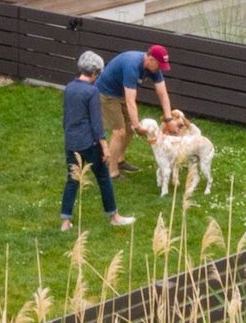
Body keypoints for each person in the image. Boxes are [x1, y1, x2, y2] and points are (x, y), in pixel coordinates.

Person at [59, 51, 134, 231]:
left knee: (72, 180)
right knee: (103, 178)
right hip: (89, 143)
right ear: (94, 73)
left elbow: (66, 117)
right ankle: (114, 216)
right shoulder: (92, 91)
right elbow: (96, 122)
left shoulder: (69, 87)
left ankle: (65, 223)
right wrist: (105, 147)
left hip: (71, 142)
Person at [98, 43, 174, 176]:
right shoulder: (132, 65)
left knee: (129, 129)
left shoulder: (154, 68)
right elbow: (130, 101)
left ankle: (119, 160)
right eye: (159, 65)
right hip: (107, 94)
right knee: (119, 132)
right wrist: (137, 126)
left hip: (121, 93)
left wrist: (169, 119)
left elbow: (163, 93)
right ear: (151, 59)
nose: (160, 69)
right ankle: (111, 171)